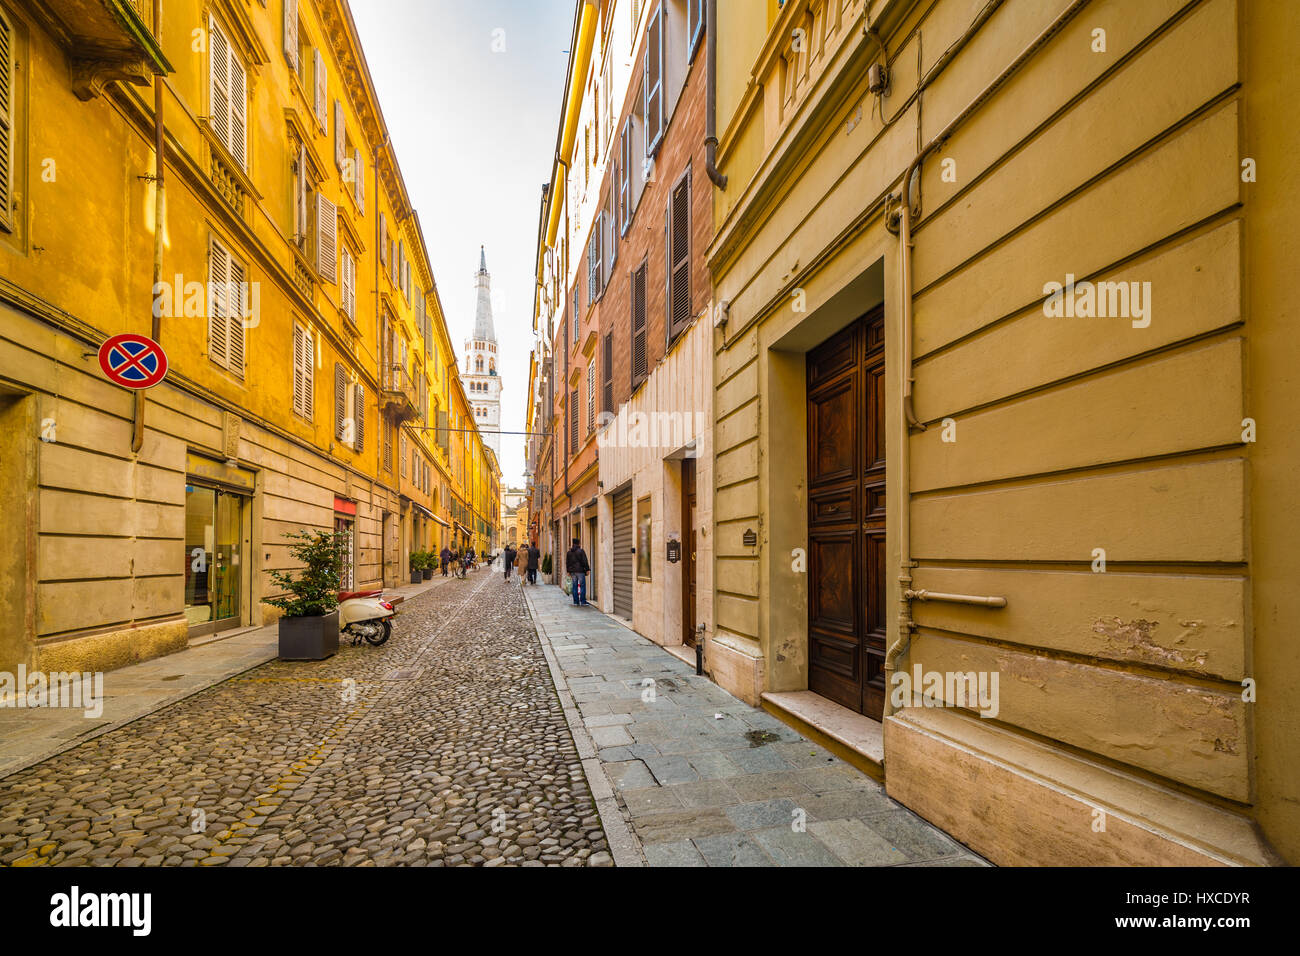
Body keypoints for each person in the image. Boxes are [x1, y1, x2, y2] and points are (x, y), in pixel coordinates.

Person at [565, 537, 590, 607]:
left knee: (574, 586)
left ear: (572, 543)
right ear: (579, 543)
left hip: (572, 571)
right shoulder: (581, 551)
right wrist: (587, 569)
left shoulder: (569, 552)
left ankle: (575, 602)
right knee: (582, 586)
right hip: (580, 571)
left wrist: (568, 571)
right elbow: (585, 561)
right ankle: (583, 601)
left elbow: (567, 562)